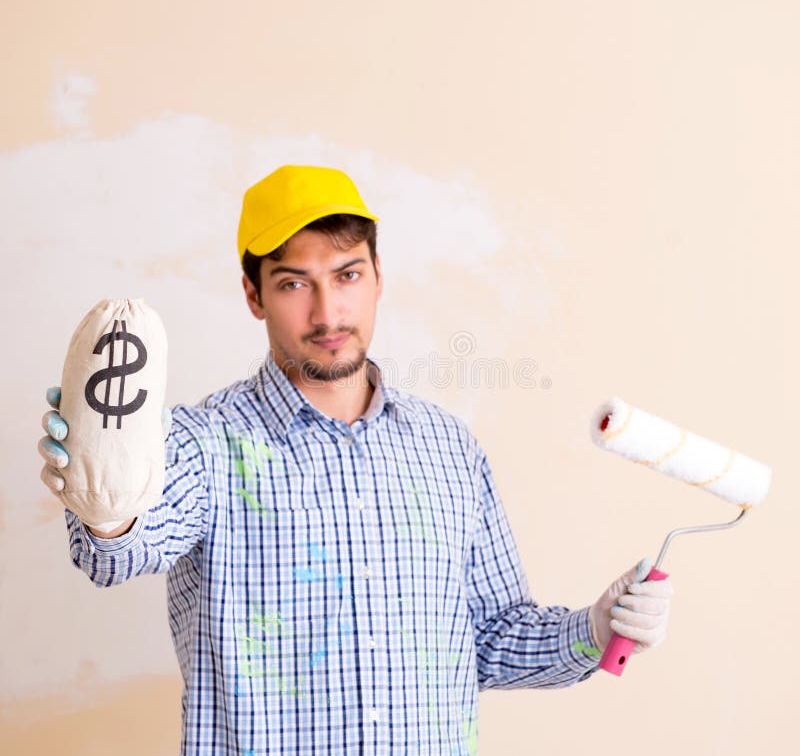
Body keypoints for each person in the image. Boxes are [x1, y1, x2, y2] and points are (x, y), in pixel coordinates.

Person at [38, 164, 673, 756]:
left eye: (347, 275)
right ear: (253, 295)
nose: (328, 313)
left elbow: (489, 638)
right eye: (293, 284)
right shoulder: (204, 444)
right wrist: (104, 501)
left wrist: (594, 626)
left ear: (377, 277)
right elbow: (118, 552)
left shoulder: (448, 448)